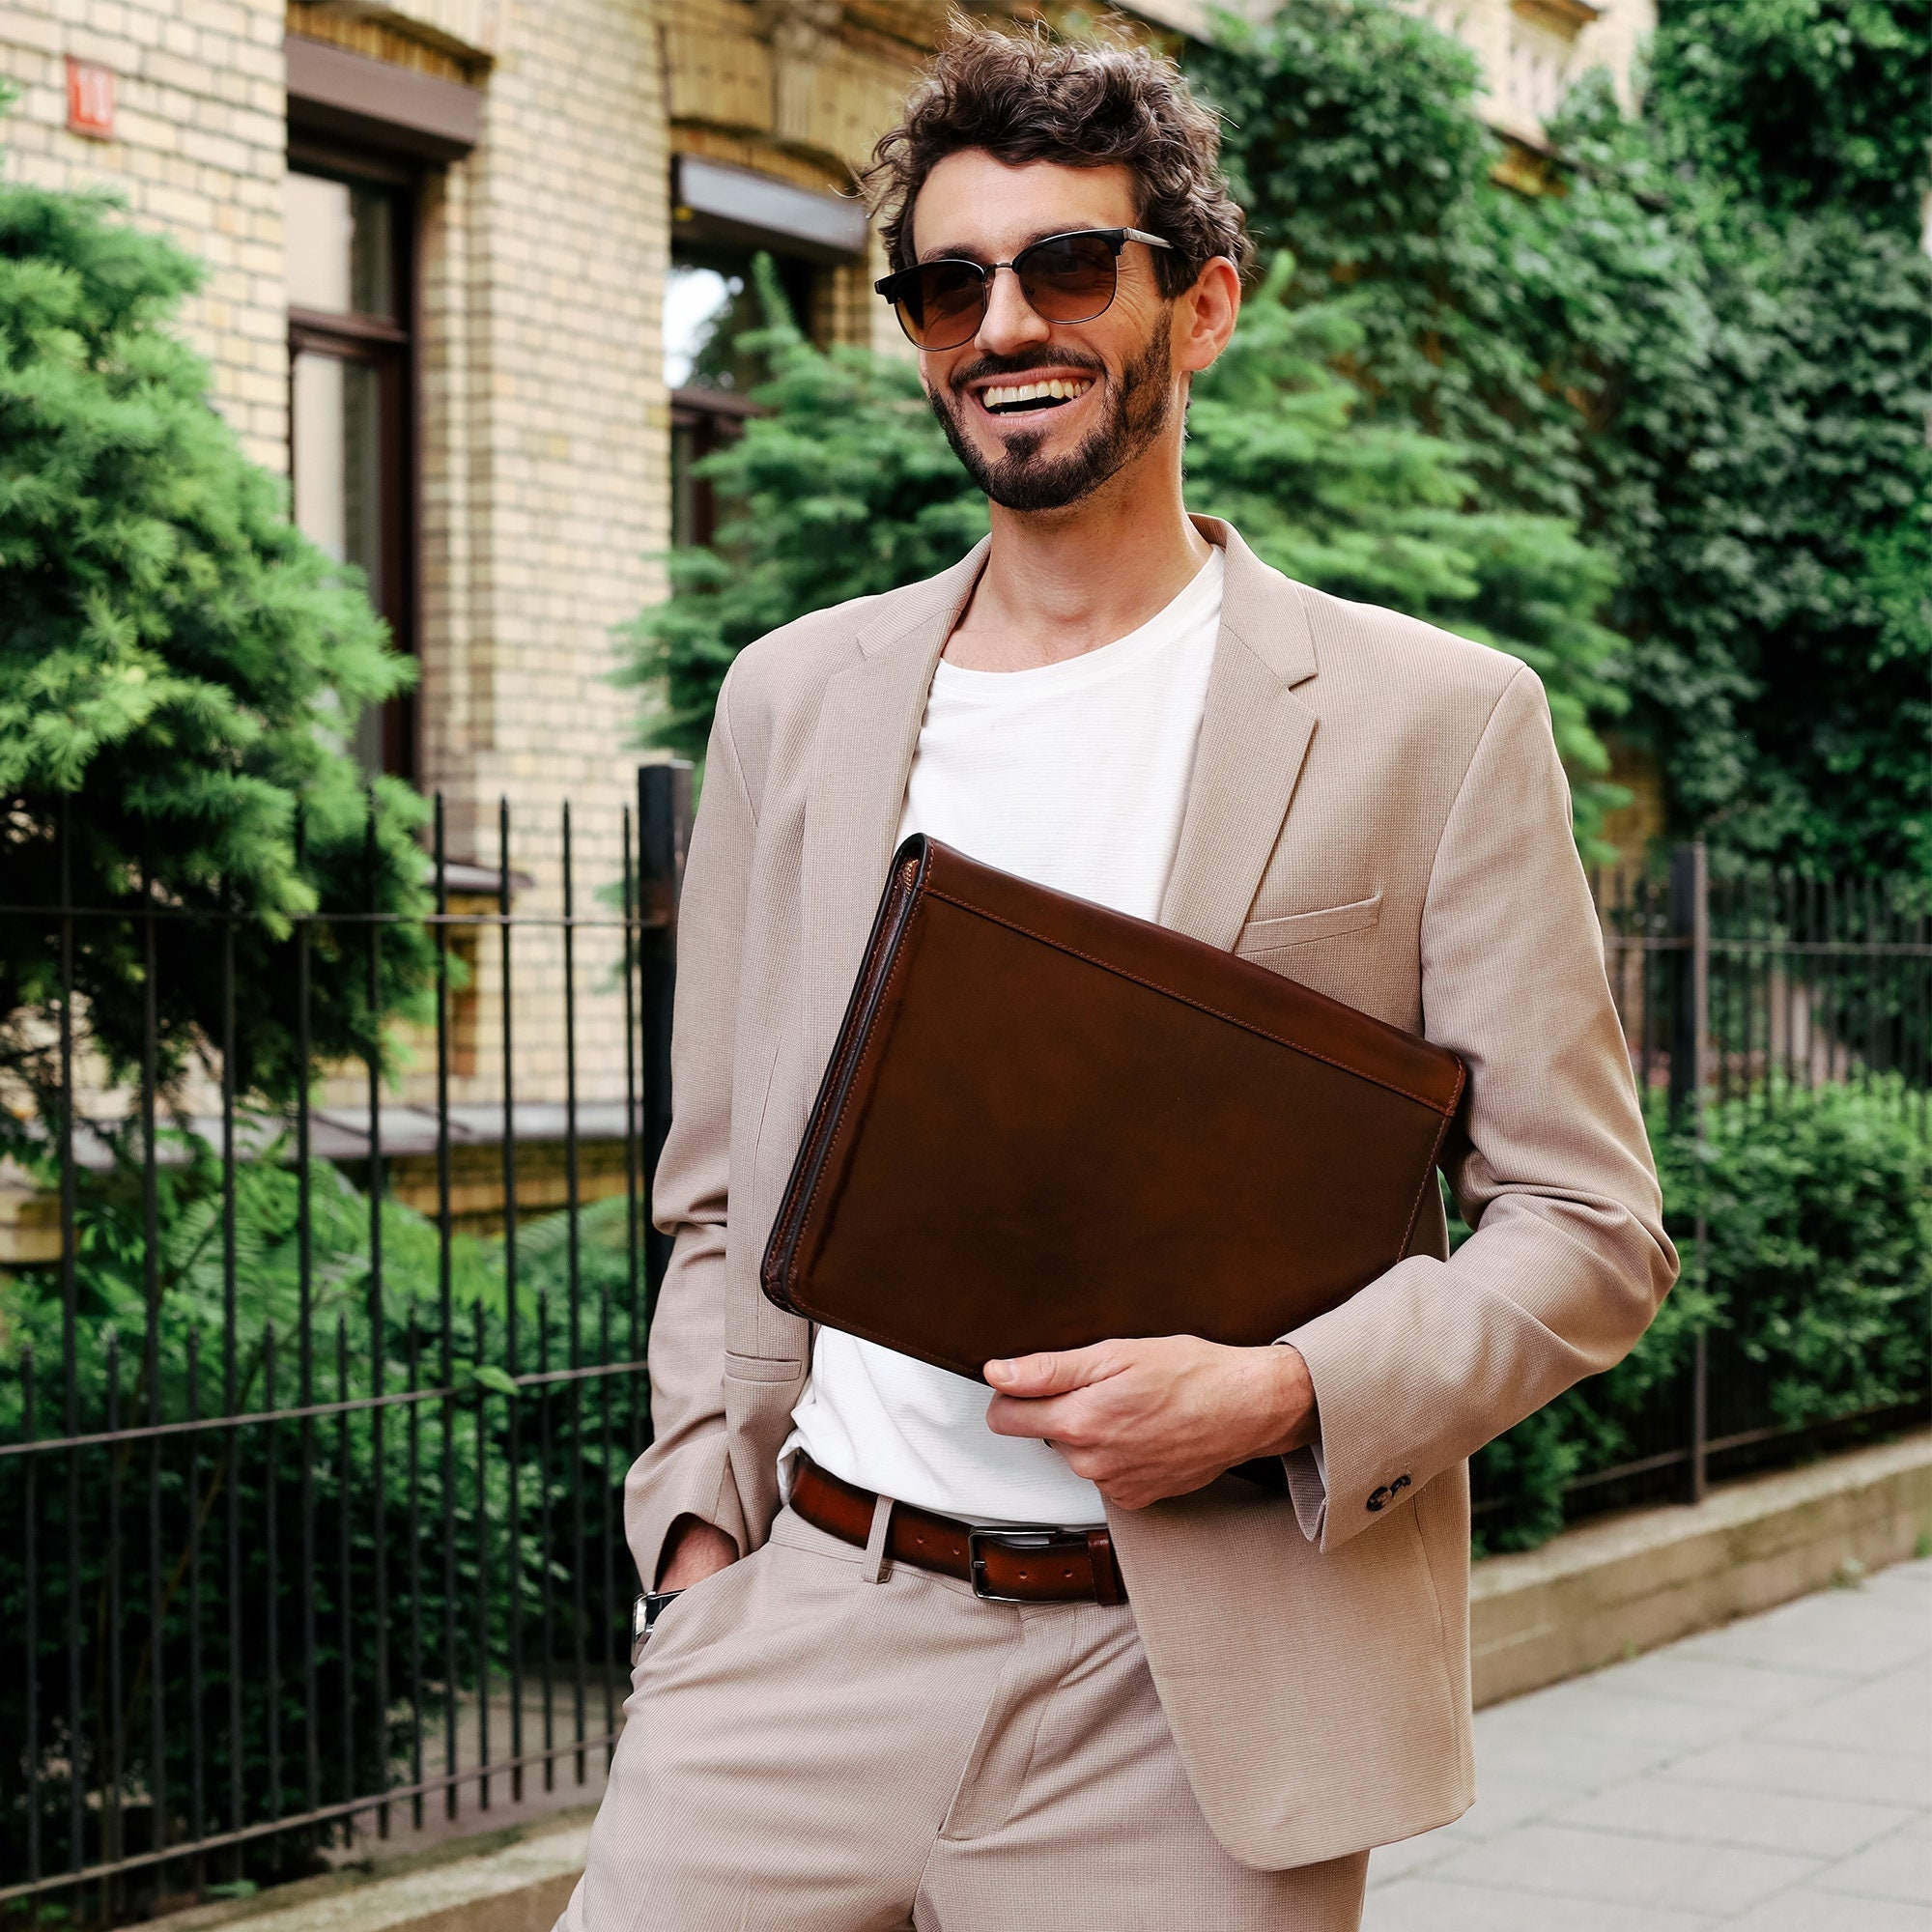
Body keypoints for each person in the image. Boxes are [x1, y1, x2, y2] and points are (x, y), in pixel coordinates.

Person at [558, 23, 1675, 1931]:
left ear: (1201, 305)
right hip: (797, 1629)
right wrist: (694, 1533)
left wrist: (1280, 1393)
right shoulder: (795, 704)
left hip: (1185, 1707)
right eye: (948, 283)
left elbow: (1586, 1229)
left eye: (1070, 267)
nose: (1004, 324)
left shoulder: (1435, 725)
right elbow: (722, 1185)